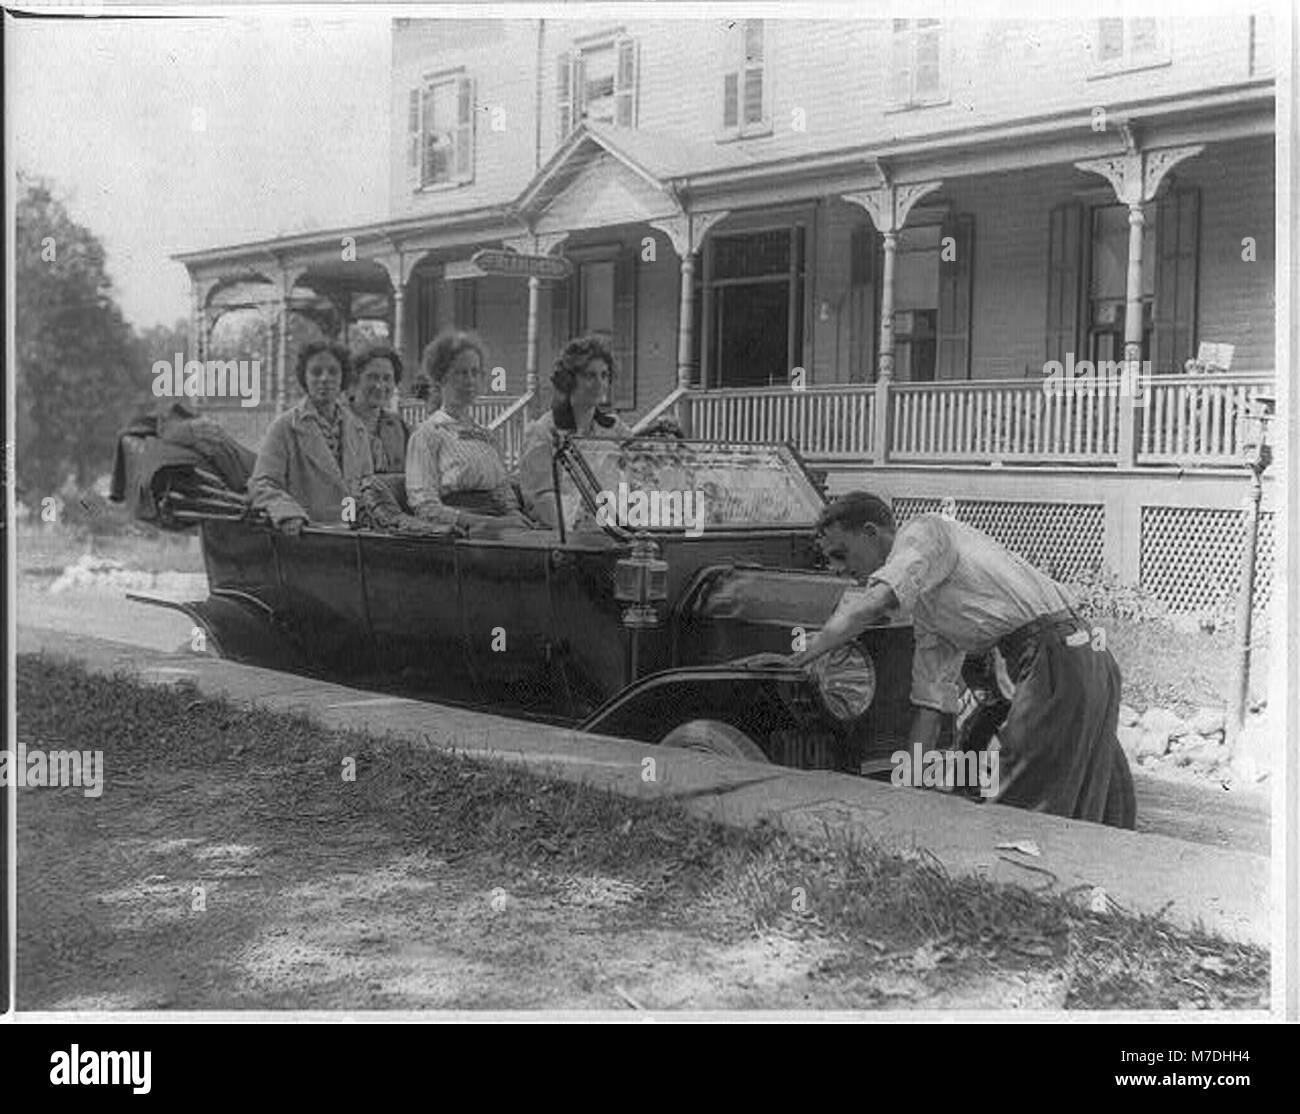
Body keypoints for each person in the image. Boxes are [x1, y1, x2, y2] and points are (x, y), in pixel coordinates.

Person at [786, 491, 1135, 828]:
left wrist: (802, 656)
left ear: (870, 533)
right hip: (1078, 657)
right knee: (1079, 809)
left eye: (842, 554)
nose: (837, 569)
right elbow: (930, 705)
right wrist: (907, 790)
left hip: (1059, 657)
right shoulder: (929, 614)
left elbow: (871, 602)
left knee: (1022, 812)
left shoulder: (924, 533)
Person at [405, 328, 532, 533]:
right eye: (461, 373)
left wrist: (515, 517)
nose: (470, 380)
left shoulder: (486, 436)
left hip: (500, 528)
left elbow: (503, 493)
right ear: (441, 378)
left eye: (475, 372)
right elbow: (425, 507)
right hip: (459, 535)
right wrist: (491, 524)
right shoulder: (427, 435)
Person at [248, 341, 374, 535]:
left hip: (350, 539)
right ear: (304, 379)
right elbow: (262, 483)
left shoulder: (357, 429)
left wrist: (356, 522)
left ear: (343, 378)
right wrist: (289, 514)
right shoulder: (284, 427)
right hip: (305, 538)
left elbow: (365, 486)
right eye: (316, 372)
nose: (325, 379)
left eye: (333, 372)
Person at [519, 334, 633, 529]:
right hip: (566, 535)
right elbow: (540, 499)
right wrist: (579, 521)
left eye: (604, 375)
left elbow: (634, 477)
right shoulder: (544, 432)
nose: (600, 383)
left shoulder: (616, 429)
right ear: (570, 380)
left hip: (616, 529)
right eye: (590, 376)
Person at [348, 343, 409, 473]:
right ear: (356, 378)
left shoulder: (399, 426)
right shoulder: (339, 421)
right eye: (372, 377)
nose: (380, 386)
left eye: (387, 378)